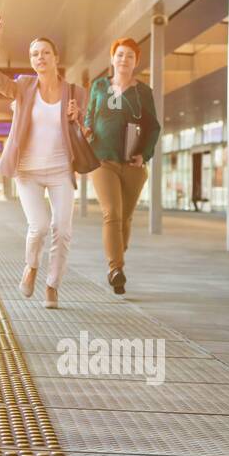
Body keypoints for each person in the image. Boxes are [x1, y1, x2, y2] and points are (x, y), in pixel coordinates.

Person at [0, 16, 84, 308]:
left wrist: (77, 118)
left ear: (56, 58)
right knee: (38, 226)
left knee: (62, 230)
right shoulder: (24, 86)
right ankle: (31, 267)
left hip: (60, 170)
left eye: (45, 53)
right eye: (34, 54)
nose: (39, 58)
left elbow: (87, 131)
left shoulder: (75, 92)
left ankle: (52, 285)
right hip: (27, 170)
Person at [83, 37, 161, 295]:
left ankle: (116, 255)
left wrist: (145, 155)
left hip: (132, 164)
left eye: (129, 56)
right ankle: (115, 268)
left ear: (136, 61)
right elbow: (89, 118)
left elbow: (153, 128)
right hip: (102, 160)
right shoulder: (99, 87)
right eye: (120, 55)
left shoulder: (143, 93)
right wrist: (87, 130)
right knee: (112, 213)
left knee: (124, 218)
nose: (124, 59)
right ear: (112, 58)